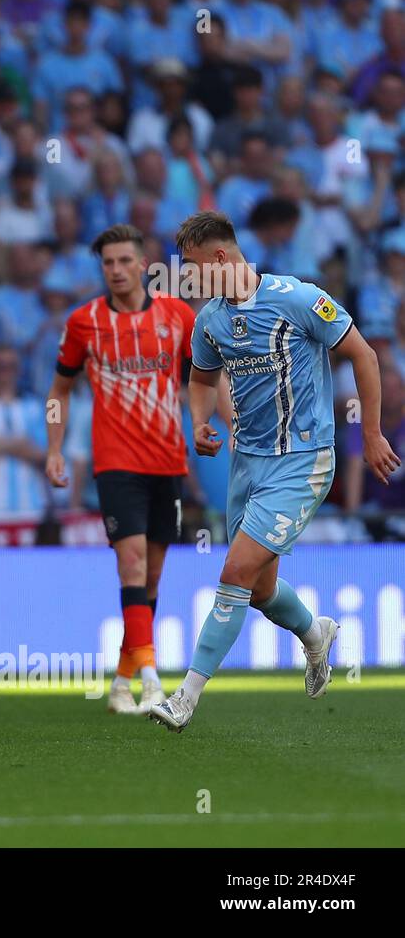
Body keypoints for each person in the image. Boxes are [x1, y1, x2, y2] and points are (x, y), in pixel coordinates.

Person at [150, 211, 401, 731]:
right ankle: (315, 634)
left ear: (221, 258)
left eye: (194, 269)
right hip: (248, 465)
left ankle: (185, 699)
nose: (191, 280)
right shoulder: (211, 321)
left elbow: (363, 354)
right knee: (260, 590)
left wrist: (372, 434)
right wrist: (199, 422)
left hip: (303, 461)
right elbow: (200, 378)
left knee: (234, 572)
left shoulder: (296, 298)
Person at [45, 224, 204, 713]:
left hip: (167, 460)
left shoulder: (177, 316)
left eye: (123, 261)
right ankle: (152, 681)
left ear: (143, 265)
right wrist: (54, 449)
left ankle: (121, 678)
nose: (115, 271)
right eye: (107, 263)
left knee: (151, 580)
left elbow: (201, 377)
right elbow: (60, 391)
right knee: (131, 565)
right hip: (115, 463)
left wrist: (203, 424)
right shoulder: (83, 322)